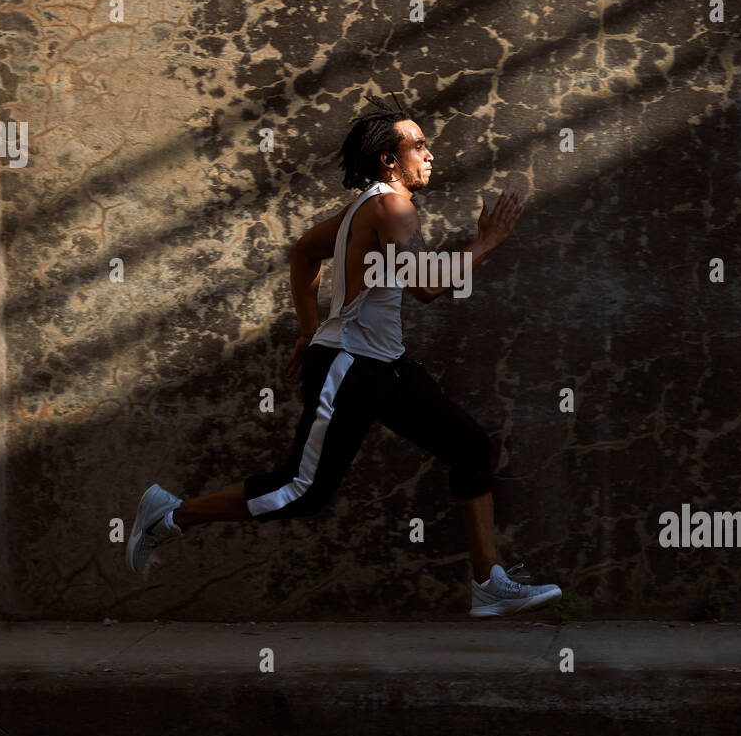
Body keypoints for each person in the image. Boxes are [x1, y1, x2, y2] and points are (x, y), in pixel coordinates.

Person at [127, 108, 562, 617]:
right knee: (301, 491)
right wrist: (487, 241)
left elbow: (302, 254)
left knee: (468, 446)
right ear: (389, 160)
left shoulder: (365, 207)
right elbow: (426, 286)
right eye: (417, 145)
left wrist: (310, 330)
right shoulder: (393, 207)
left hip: (384, 366)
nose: (430, 154)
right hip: (350, 368)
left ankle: (488, 581)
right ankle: (170, 516)